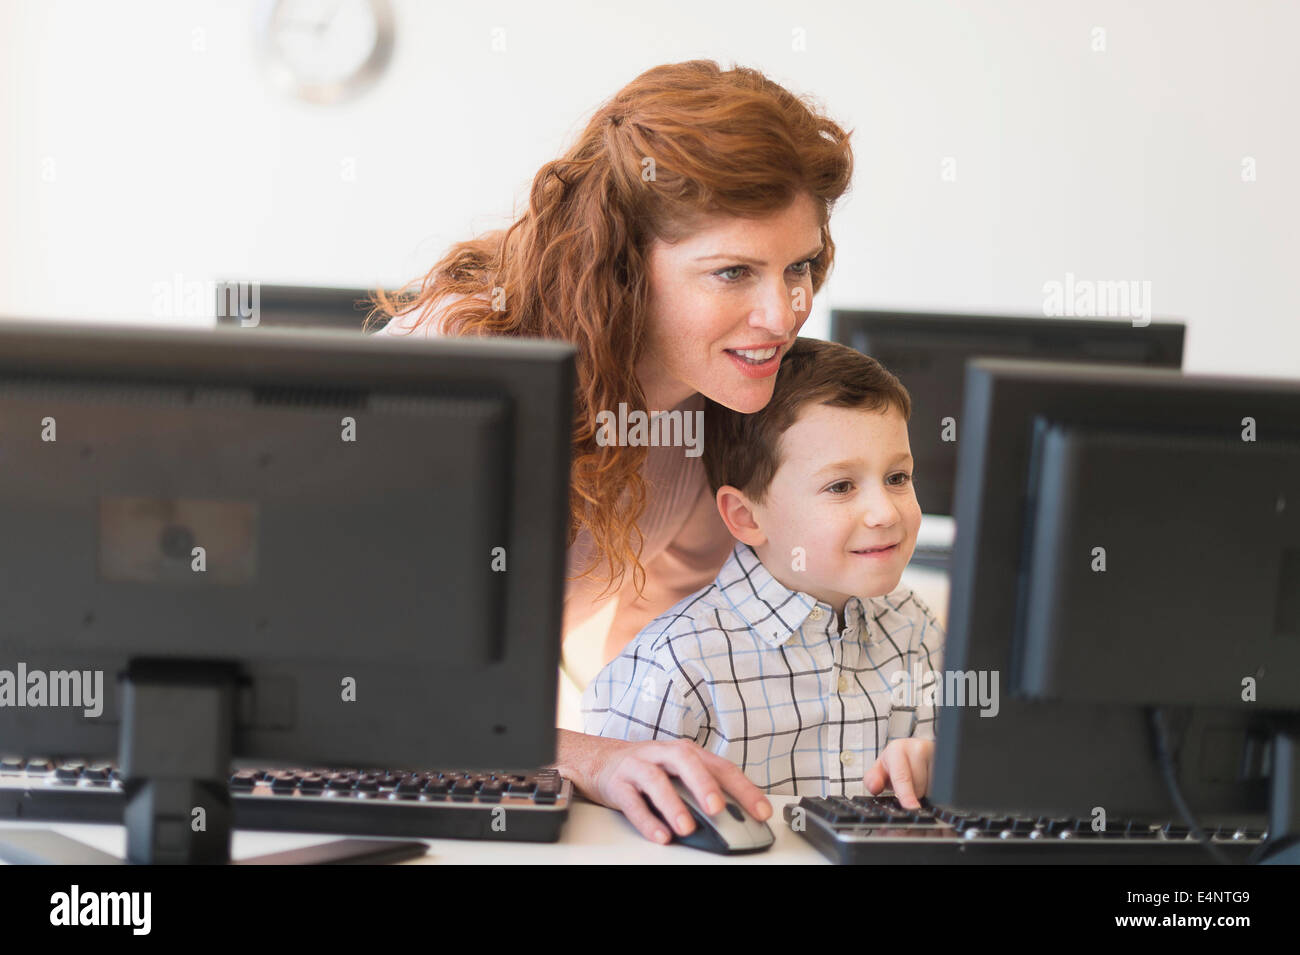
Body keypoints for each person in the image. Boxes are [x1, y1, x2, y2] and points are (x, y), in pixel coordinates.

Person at [366, 59, 854, 844]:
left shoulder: (717, 407)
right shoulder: (458, 365)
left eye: (798, 267)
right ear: (623, 265)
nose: (783, 312)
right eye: (733, 272)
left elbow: (654, 654)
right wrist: (589, 758)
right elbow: (361, 683)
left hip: (466, 766)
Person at [580, 338, 944, 806]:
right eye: (840, 486)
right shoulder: (676, 665)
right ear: (746, 517)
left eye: (897, 478)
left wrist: (943, 770)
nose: (885, 513)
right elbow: (608, 826)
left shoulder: (917, 630)